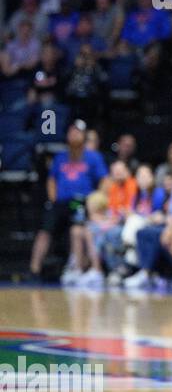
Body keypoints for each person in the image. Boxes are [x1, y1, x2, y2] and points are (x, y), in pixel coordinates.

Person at [29, 119, 108, 281]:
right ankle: (34, 270)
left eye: (77, 132)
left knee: (78, 228)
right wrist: (53, 199)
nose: (73, 135)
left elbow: (104, 181)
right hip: (60, 202)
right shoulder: (60, 157)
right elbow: (51, 180)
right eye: (71, 132)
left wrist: (97, 201)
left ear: (84, 136)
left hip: (80, 201)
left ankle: (77, 267)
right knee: (44, 231)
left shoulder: (93, 157)